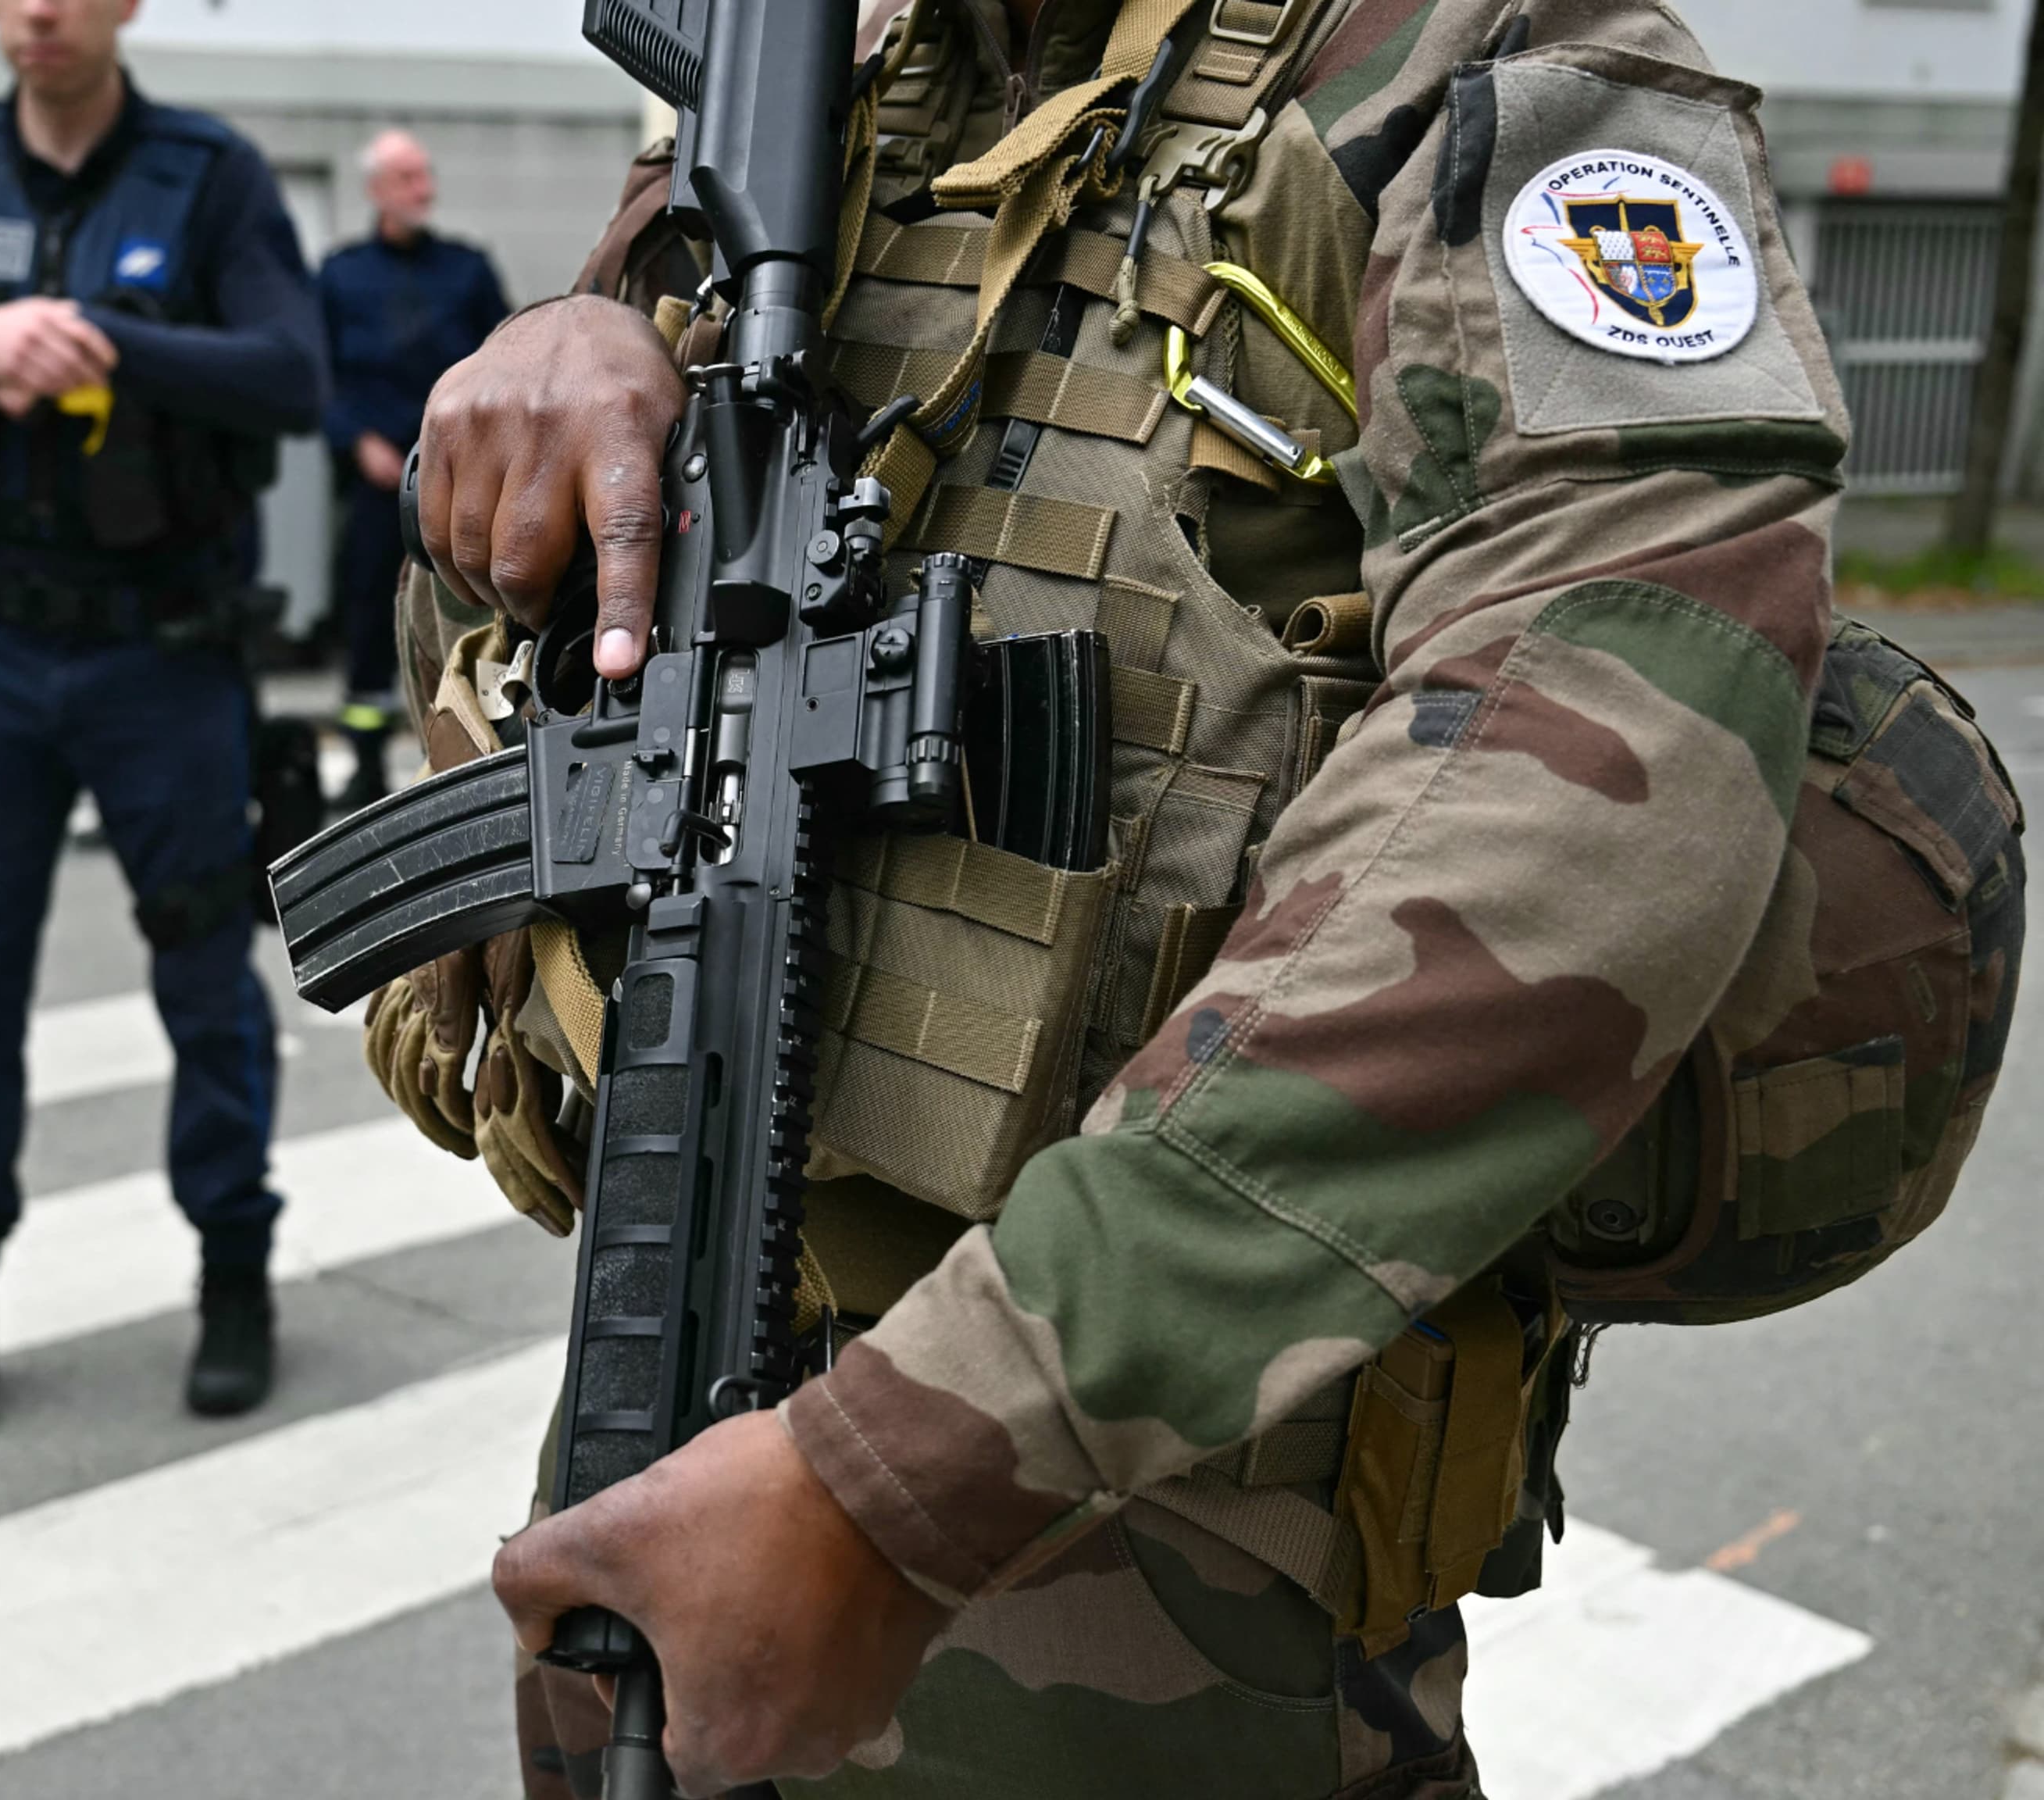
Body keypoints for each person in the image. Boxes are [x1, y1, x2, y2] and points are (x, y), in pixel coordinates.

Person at [361, 1, 2014, 1795]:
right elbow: (580, 595)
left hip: (1138, 1541)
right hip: (675, 1390)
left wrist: (911, 1465)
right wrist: (572, 354)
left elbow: (1613, 710)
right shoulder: (819, 70)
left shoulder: (1485, 58)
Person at [0, 0, 325, 1453]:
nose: (36, 9)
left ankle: (233, 1267)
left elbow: (292, 376)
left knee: (202, 979)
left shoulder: (209, 173)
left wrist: (117, 344)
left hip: (161, 654)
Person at [314, 130, 506, 812]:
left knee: (473, 599)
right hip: (373, 484)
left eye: (424, 175)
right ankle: (367, 764)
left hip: (456, 476)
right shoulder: (340, 276)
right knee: (369, 615)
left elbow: (500, 361)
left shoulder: (466, 270)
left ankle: (468, 749)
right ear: (375, 190)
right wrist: (356, 442)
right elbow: (319, 376)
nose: (422, 189)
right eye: (406, 177)